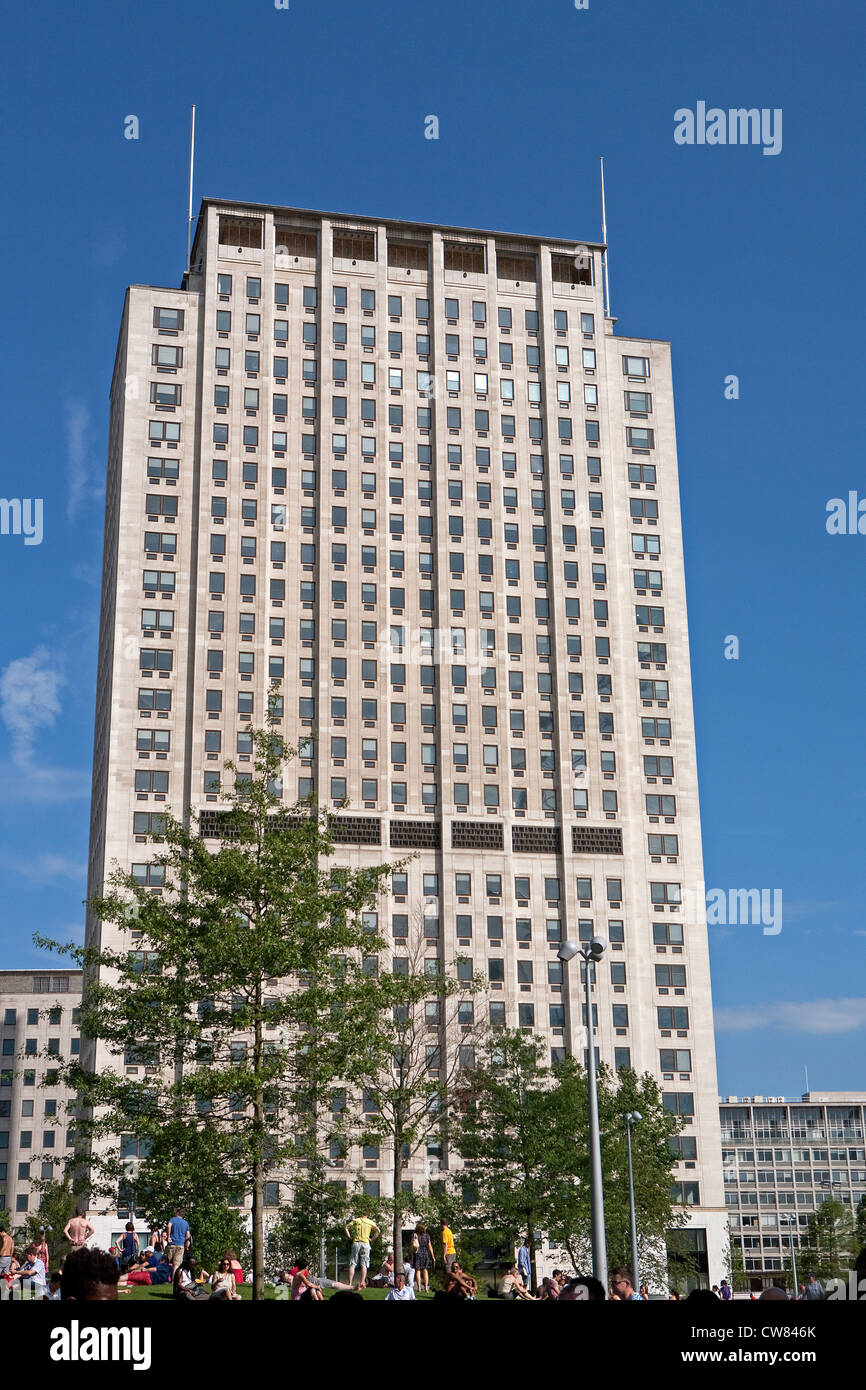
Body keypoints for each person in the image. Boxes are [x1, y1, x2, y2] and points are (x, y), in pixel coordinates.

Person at [345, 1213, 380, 1290]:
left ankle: (349, 1283)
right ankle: (362, 1283)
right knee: (364, 1264)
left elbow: (346, 1227)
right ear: (367, 1215)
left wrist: (350, 1237)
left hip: (356, 1243)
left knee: (353, 1263)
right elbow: (378, 1231)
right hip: (365, 1243)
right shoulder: (370, 1222)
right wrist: (372, 1239)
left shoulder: (356, 1220)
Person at [411, 1222, 434, 1293]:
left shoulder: (415, 1235)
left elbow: (412, 1244)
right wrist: (433, 1256)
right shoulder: (427, 1236)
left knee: (418, 1271)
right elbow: (430, 1246)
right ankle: (426, 1288)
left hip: (417, 1253)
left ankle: (419, 1287)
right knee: (425, 1270)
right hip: (425, 1253)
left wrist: (410, 1252)